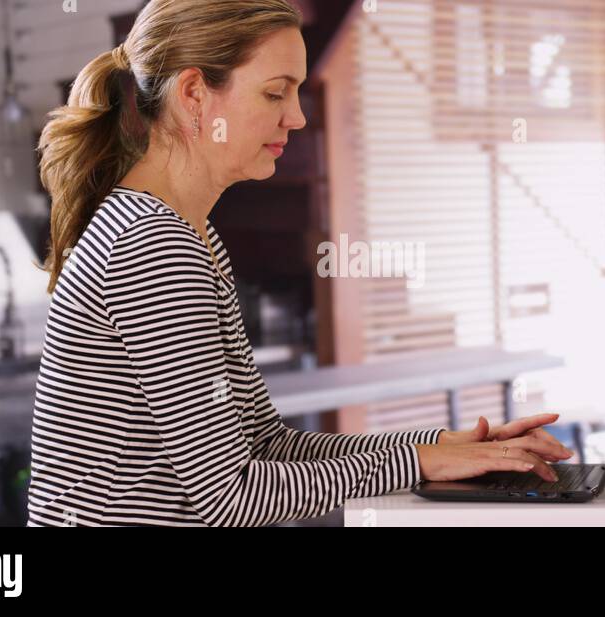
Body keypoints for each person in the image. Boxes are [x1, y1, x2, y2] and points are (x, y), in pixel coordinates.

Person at [28, 0, 572, 527]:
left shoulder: (189, 232)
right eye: (274, 94)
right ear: (194, 94)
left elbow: (267, 444)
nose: (297, 117)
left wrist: (438, 446)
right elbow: (231, 497)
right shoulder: (151, 246)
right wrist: (422, 464)